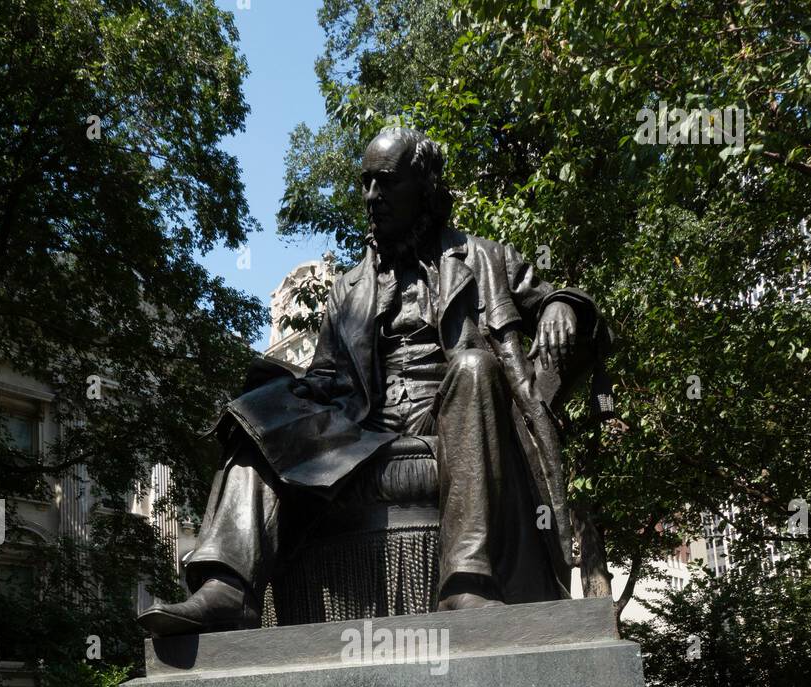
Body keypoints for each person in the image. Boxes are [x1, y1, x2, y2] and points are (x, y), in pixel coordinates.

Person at [139, 127, 611, 636]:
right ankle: (229, 587)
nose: (371, 197)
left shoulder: (483, 258)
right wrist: (280, 394)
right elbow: (326, 378)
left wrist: (564, 305)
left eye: (385, 183)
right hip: (363, 434)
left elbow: (561, 304)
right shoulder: (349, 288)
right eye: (365, 184)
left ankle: (466, 584)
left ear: (425, 187)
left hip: (458, 417)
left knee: (474, 365)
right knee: (258, 410)